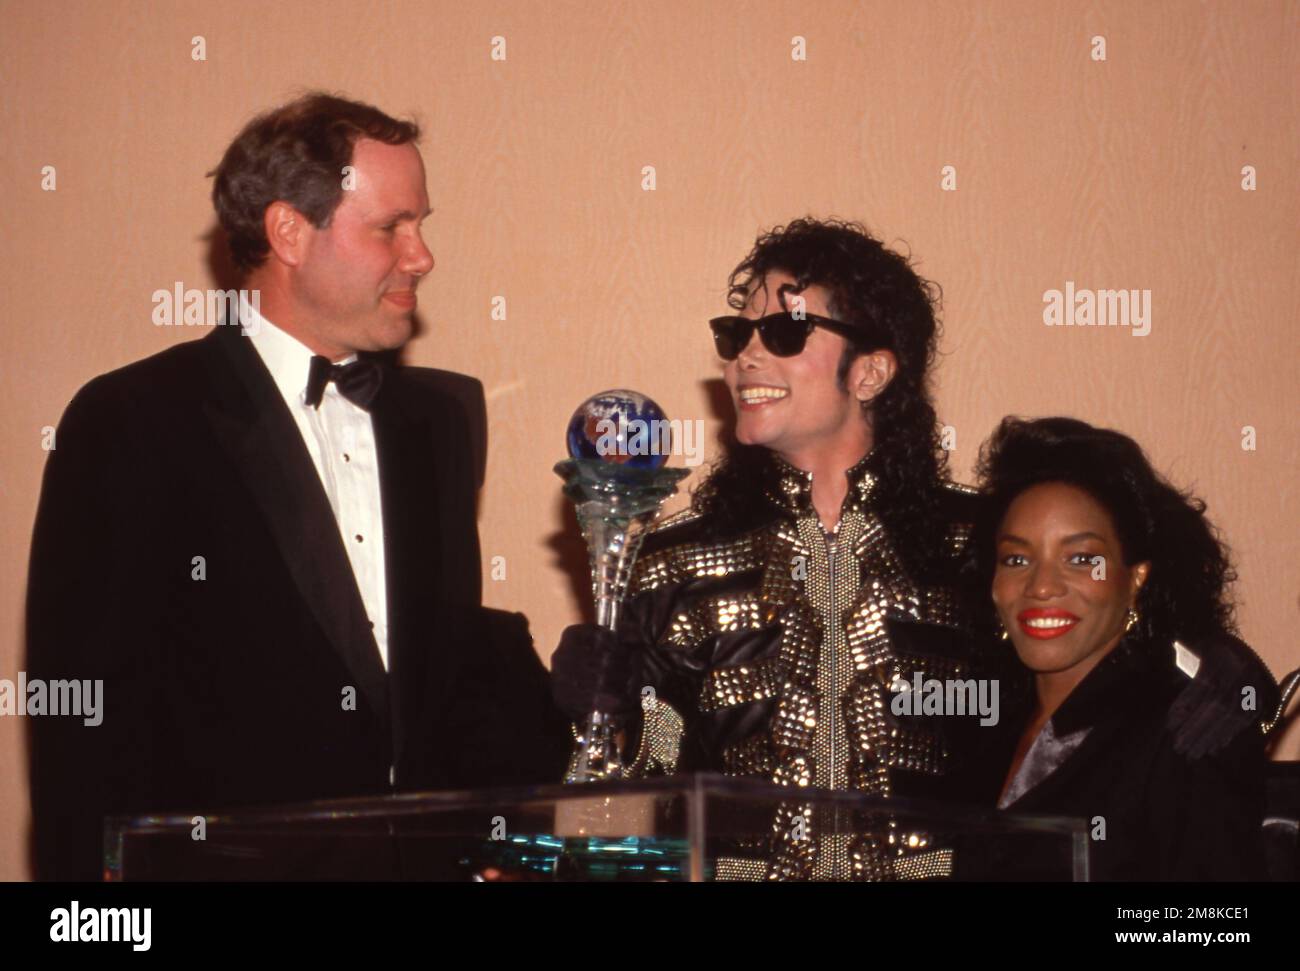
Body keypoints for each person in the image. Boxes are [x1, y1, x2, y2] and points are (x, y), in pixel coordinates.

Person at [26, 92, 567, 882]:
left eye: (421, 224)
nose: (422, 256)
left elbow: (437, 682)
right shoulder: (134, 419)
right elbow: (79, 715)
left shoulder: (441, 421)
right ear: (288, 231)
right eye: (392, 227)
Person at [551, 218, 984, 881]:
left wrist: (1190, 670)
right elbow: (637, 791)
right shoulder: (674, 563)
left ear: (870, 371)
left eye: (784, 331)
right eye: (736, 334)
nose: (745, 356)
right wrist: (614, 719)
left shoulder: (980, 546)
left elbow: (1062, 727)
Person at [957, 416, 1278, 880]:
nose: (1042, 586)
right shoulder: (976, 718)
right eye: (1017, 558)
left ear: (1136, 579)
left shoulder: (1189, 733)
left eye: (1082, 558)